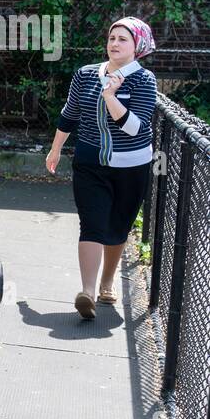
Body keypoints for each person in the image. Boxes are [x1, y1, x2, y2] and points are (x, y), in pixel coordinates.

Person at [45, 16, 158, 319]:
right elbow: (70, 114)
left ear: (138, 46)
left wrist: (110, 96)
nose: (115, 44)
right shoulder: (85, 74)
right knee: (92, 224)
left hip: (131, 167)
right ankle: (87, 292)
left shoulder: (144, 80)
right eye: (112, 38)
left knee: (118, 226)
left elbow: (135, 127)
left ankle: (108, 281)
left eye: (123, 39)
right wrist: (56, 148)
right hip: (89, 162)